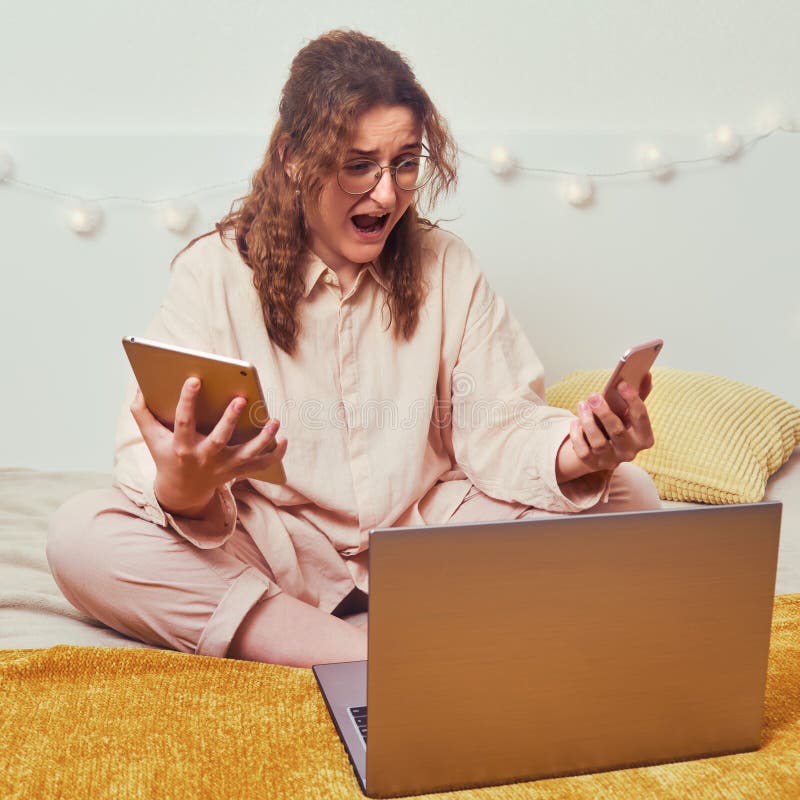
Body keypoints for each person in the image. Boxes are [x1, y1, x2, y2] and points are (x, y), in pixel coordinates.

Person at [47, 30, 660, 668]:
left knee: (630, 494)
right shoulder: (215, 273)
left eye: (404, 162)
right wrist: (184, 488)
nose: (388, 193)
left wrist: (579, 452)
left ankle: (332, 643)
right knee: (81, 536)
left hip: (427, 547)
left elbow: (503, 426)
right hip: (277, 555)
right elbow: (148, 459)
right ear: (292, 157)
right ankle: (361, 656)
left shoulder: (445, 266)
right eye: (358, 164)